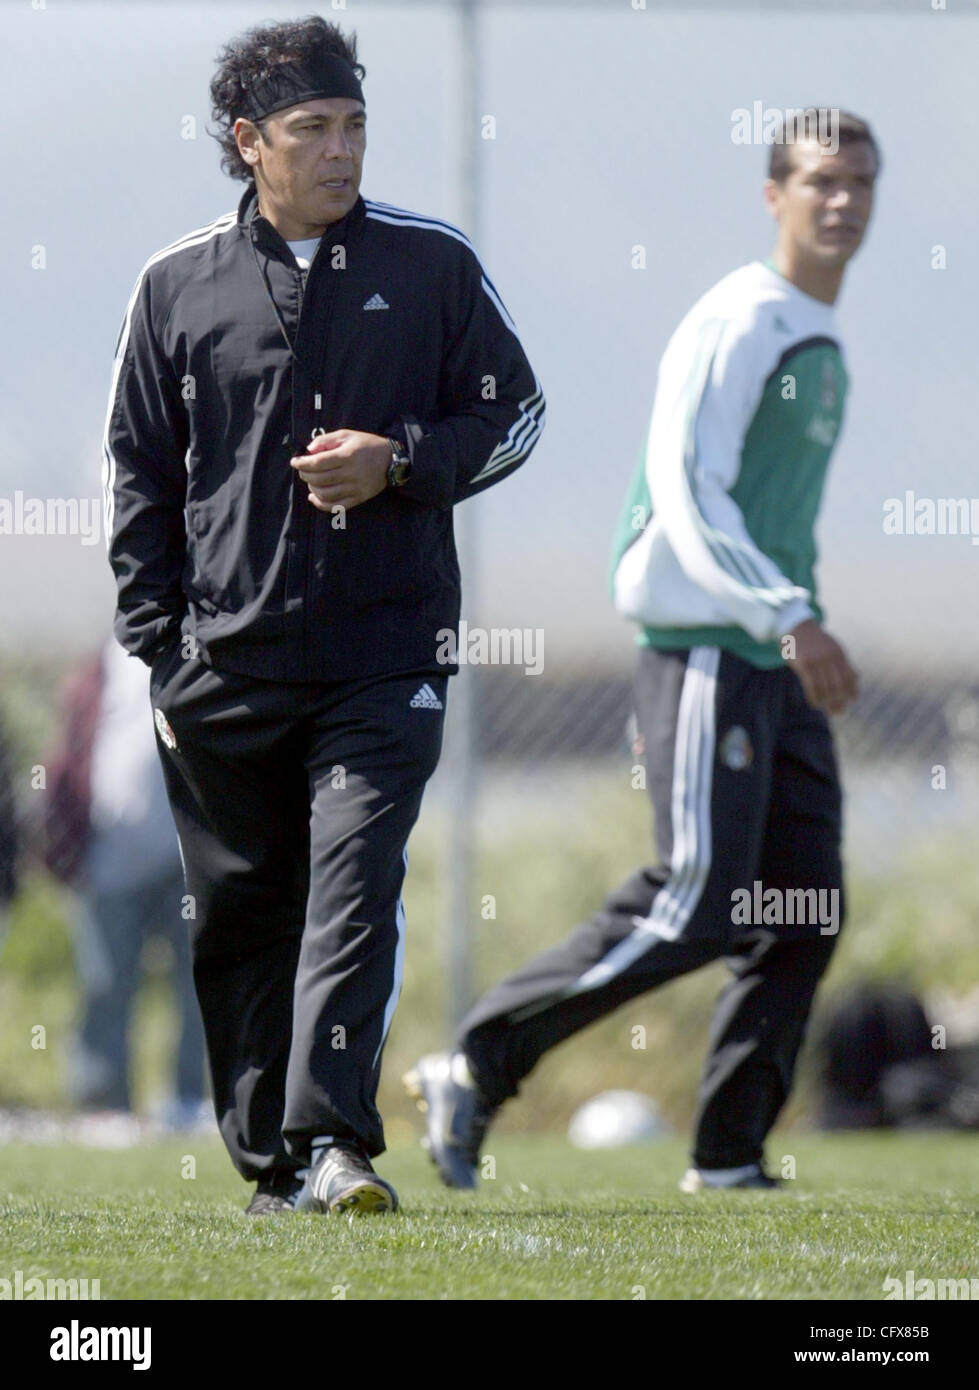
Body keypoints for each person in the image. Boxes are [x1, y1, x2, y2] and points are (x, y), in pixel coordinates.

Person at [102, 16, 543, 1215]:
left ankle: (338, 1143)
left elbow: (514, 416)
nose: (341, 151)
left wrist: (397, 460)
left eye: (353, 126)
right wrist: (163, 650)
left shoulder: (430, 265)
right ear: (250, 142)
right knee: (245, 922)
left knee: (353, 888)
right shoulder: (174, 286)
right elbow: (138, 474)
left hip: (383, 658)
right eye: (313, 130)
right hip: (222, 674)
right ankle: (271, 1169)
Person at [407, 109, 878, 1193]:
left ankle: (727, 1158)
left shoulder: (825, 329)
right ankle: (476, 1060)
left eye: (858, 181)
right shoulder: (738, 319)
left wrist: (791, 622)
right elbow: (685, 490)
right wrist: (786, 615)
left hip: (771, 648)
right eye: (819, 181)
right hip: (710, 646)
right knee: (697, 899)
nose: (841, 200)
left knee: (803, 907)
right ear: (774, 196)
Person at [66, 637, 207, 1139]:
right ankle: (104, 1104)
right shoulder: (102, 664)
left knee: (197, 983)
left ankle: (192, 1100)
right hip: (112, 856)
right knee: (106, 980)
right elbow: (71, 745)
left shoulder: (197, 653)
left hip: (186, 854)